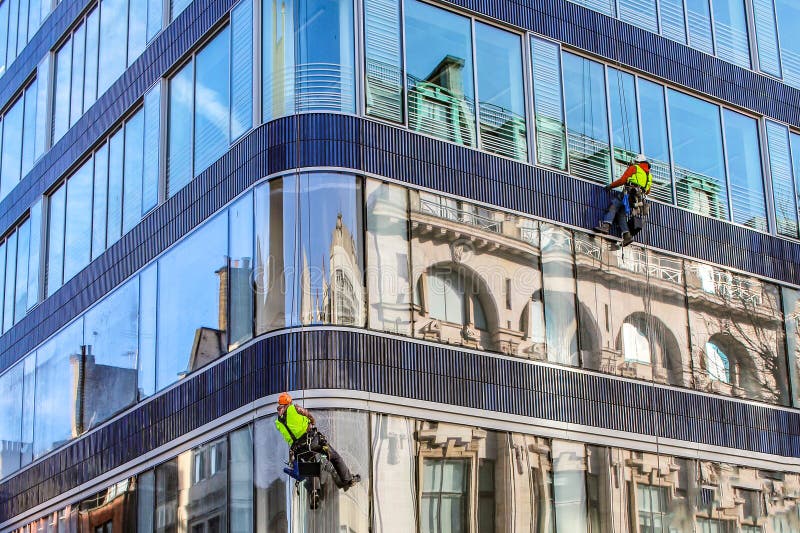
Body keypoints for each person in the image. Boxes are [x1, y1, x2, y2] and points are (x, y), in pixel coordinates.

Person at [275, 392, 360, 490]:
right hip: (312, 442)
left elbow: (290, 432)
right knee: (334, 457)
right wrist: (312, 422)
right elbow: (309, 416)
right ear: (289, 403)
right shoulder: (294, 408)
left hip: (299, 451)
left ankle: (313, 489)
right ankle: (348, 480)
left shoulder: (278, 422)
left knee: (312, 466)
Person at [594, 154, 652, 246]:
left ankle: (606, 226)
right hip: (636, 199)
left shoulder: (634, 168)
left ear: (637, 162)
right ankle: (627, 236)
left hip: (628, 194)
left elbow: (623, 180)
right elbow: (647, 191)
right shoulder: (649, 175)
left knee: (614, 206)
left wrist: (610, 186)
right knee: (621, 214)